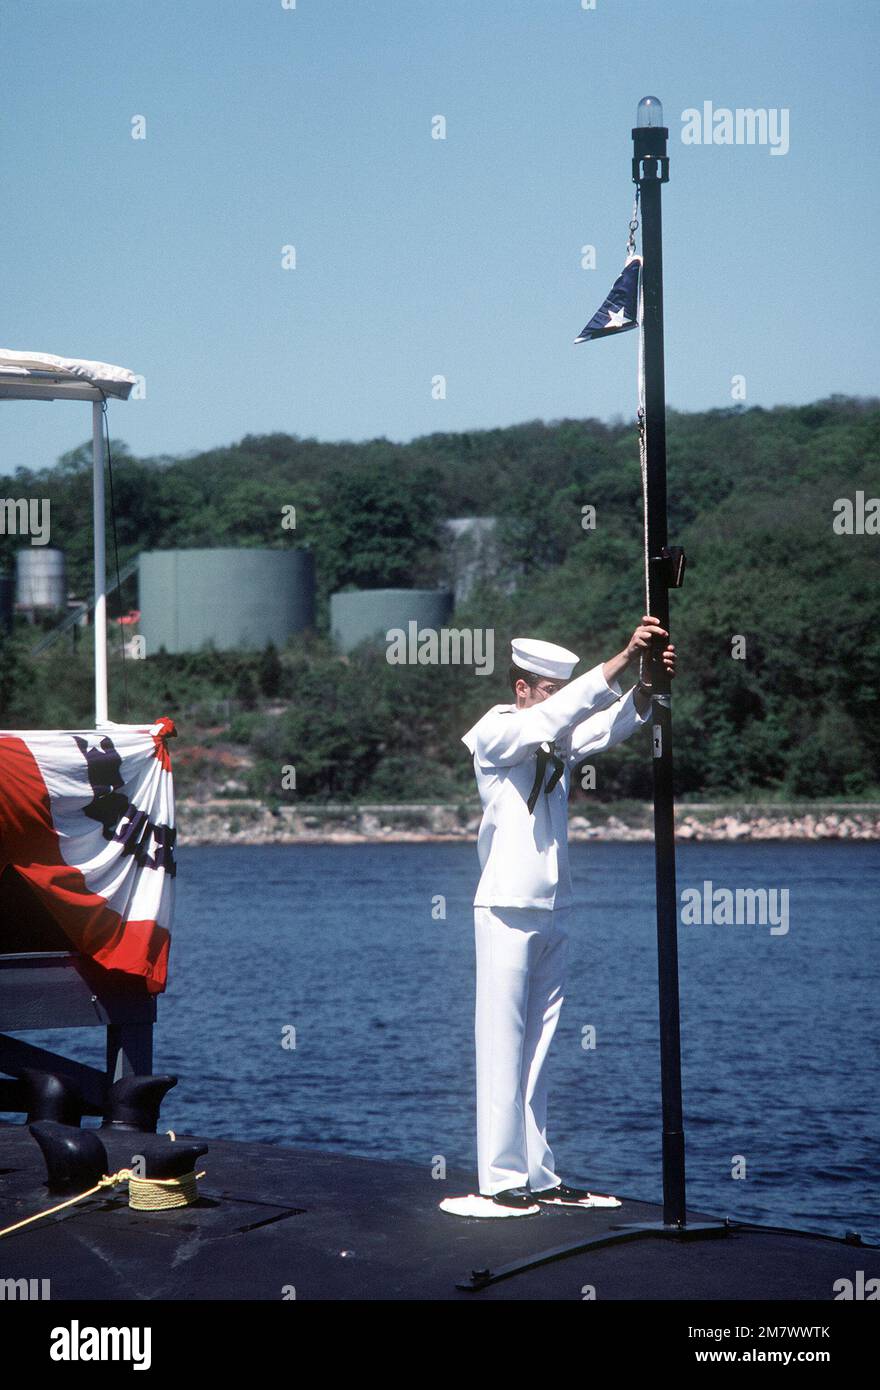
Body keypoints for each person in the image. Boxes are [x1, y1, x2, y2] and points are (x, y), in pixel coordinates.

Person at [460, 616, 676, 1208]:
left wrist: (644, 686)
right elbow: (557, 718)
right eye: (548, 688)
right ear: (522, 687)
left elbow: (603, 727)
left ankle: (538, 1172)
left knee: (539, 1051)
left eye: (561, 687)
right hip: (505, 906)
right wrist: (614, 662)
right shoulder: (498, 731)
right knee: (502, 1045)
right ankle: (501, 1179)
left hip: (555, 904)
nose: (556, 698)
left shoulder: (551, 735)